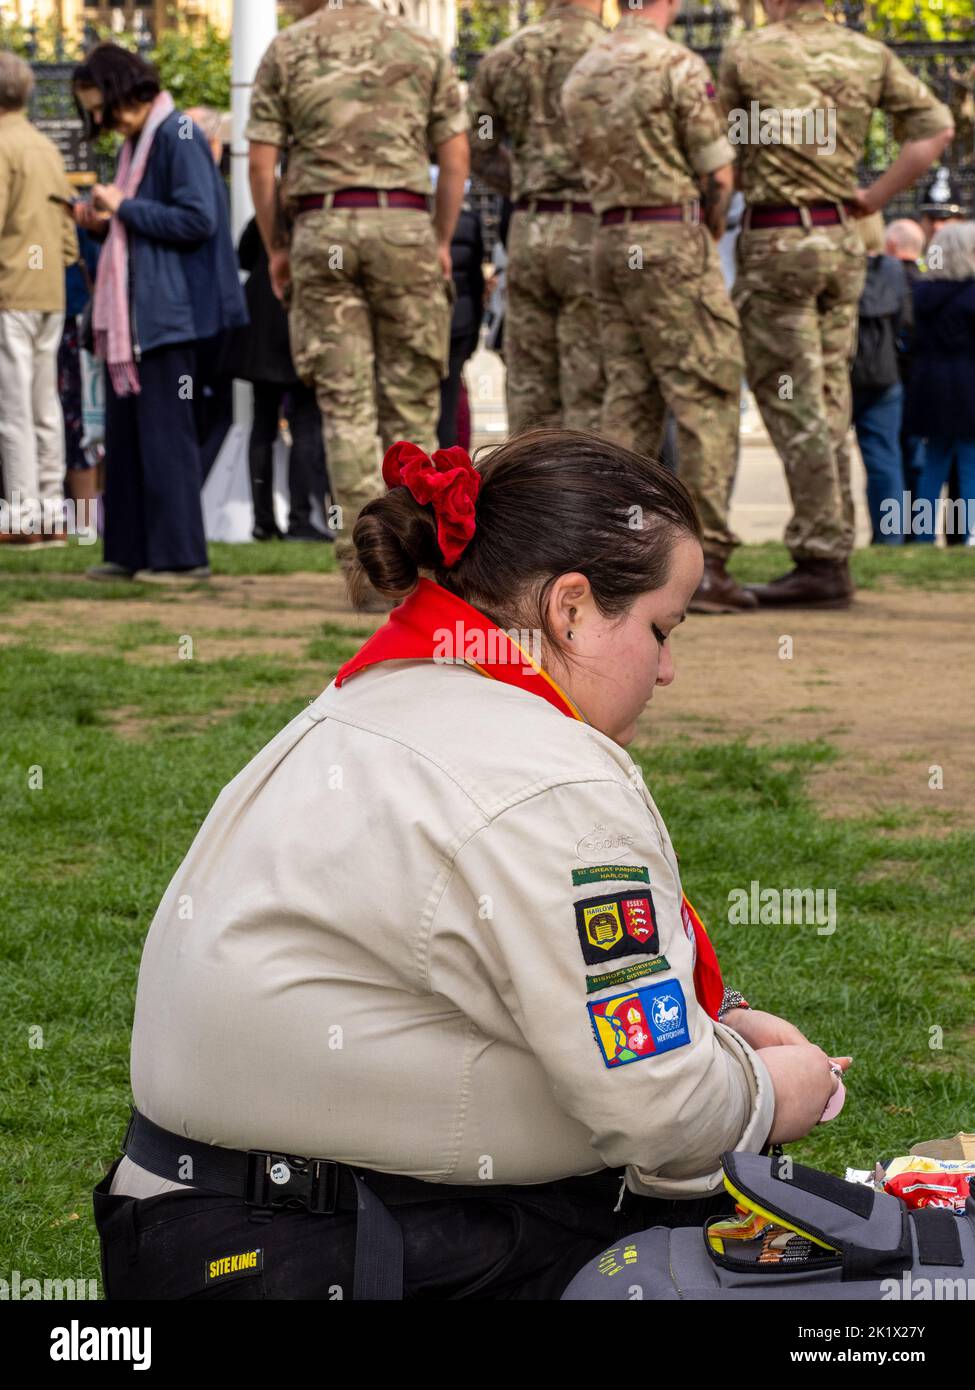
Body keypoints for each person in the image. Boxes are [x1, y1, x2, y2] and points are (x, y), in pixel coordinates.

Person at [91, 428, 847, 1300]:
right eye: (660, 628)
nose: (667, 669)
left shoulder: (369, 700)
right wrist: (770, 1091)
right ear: (569, 609)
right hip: (335, 1247)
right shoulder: (545, 776)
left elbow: (501, 988)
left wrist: (713, 1031)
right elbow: (663, 1116)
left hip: (212, 1226)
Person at [719, 0, 953, 608]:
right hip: (841, 241)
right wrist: (872, 198)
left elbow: (722, 160)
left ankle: (821, 555)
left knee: (790, 395)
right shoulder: (866, 53)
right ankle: (834, 546)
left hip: (777, 240)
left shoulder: (750, 50)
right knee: (826, 393)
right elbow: (937, 129)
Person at [246, 0, 469, 607]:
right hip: (403, 225)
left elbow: (262, 165)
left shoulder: (287, 49)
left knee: (344, 409)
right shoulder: (421, 46)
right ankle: (417, 563)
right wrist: (442, 239)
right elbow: (454, 159)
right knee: (413, 406)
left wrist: (277, 246)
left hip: (322, 229)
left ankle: (368, 568)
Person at [563, 0, 755, 614]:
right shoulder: (676, 63)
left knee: (627, 397)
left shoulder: (583, 69)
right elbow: (719, 173)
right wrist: (711, 228)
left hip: (609, 237)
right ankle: (705, 563)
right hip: (670, 236)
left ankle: (616, 551)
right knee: (708, 392)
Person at [72, 44, 246, 585]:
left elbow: (198, 220)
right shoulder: (144, 143)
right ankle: (129, 551)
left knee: (166, 437)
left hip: (170, 320)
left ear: (127, 90)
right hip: (143, 320)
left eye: (102, 106)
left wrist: (123, 208)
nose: (100, 119)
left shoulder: (175, 135)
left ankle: (180, 557)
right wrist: (106, 222)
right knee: (129, 439)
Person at [468, 0, 606, 434]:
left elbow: (477, 146)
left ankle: (530, 491)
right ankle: (590, 493)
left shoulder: (505, 57)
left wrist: (528, 183)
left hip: (529, 227)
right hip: (596, 227)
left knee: (529, 384)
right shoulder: (617, 54)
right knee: (591, 383)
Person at [0, 51, 79, 547]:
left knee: (13, 411)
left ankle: (25, 516)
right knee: (45, 406)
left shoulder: (3, 145)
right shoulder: (48, 148)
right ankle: (50, 513)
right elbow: (69, 233)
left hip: (11, 291)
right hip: (50, 290)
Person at [234, 215, 334, 542]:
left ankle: (263, 521)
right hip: (302, 321)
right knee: (307, 425)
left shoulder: (271, 209)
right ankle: (300, 519)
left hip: (262, 324)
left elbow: (244, 255)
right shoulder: (321, 212)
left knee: (263, 425)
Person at [902, 221, 975, 545]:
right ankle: (968, 533)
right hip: (968, 388)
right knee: (971, 466)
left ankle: (922, 535)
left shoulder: (921, 293)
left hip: (929, 388)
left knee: (933, 465)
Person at [850, 215, 912, 545]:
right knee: (886, 460)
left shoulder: (841, 265)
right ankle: (890, 537)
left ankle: (834, 537)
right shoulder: (893, 270)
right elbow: (905, 319)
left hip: (843, 372)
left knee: (831, 461)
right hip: (885, 374)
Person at [437, 189, 485, 449]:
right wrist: (473, 334)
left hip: (416, 325)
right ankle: (449, 472)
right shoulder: (468, 219)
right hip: (457, 323)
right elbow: (475, 283)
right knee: (451, 404)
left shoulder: (408, 216)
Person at [884, 218, 925, 511]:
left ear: (892, 245)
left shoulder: (886, 278)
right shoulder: (927, 280)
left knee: (891, 458)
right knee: (917, 459)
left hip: (892, 378)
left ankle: (893, 530)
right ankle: (916, 530)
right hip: (920, 380)